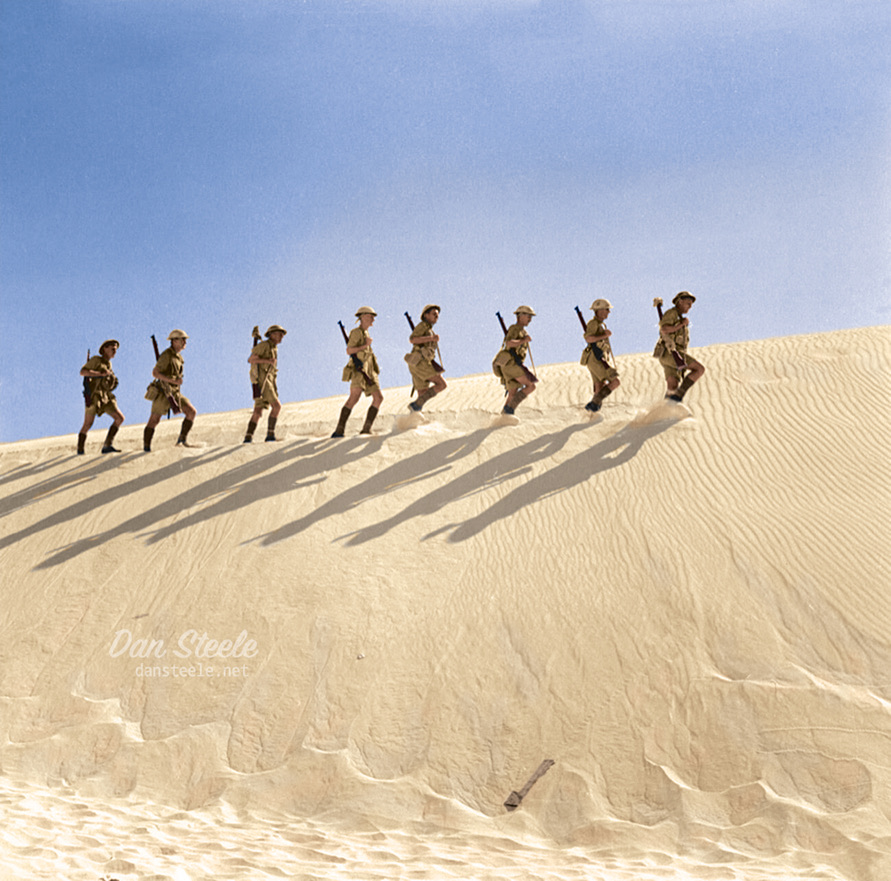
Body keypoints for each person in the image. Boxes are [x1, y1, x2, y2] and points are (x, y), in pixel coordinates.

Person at [331, 307, 383, 437]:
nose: (373, 319)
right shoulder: (356, 332)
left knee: (378, 398)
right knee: (354, 398)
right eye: (371, 316)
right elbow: (349, 351)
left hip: (369, 371)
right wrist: (365, 345)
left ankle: (366, 429)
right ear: (363, 317)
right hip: (359, 370)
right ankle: (339, 430)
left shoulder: (366, 334)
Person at [143, 330, 198, 451]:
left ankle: (182, 440)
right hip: (164, 392)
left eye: (185, 339)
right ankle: (146, 447)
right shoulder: (167, 355)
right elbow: (155, 373)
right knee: (154, 420)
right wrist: (173, 381)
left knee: (191, 412)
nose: (185, 342)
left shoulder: (179, 357)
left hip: (175, 393)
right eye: (182, 339)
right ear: (174, 341)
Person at [654, 292, 705, 402]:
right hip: (670, 353)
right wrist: (681, 325)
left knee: (672, 386)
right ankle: (678, 397)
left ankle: (665, 410)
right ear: (680, 301)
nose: (690, 306)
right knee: (699, 369)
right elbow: (664, 330)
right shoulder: (672, 314)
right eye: (688, 303)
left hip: (668, 355)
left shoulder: (678, 316)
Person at [77, 339, 125, 454]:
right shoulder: (96, 360)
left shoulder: (109, 365)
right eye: (112, 349)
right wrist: (99, 374)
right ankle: (80, 450)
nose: (115, 352)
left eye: (116, 350)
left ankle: (107, 445)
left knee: (119, 418)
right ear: (105, 349)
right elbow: (83, 372)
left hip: (106, 397)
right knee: (88, 424)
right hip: (94, 397)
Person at [244, 324, 286, 443]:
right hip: (262, 382)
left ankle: (248, 436)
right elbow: (251, 360)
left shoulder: (273, 348)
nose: (281, 337)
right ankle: (270, 435)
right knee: (277, 406)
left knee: (258, 411)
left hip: (267, 382)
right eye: (279, 334)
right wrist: (267, 361)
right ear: (272, 335)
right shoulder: (264, 346)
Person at [492, 306, 537, 415]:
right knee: (531, 386)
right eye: (528, 316)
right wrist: (524, 340)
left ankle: (504, 416)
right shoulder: (515, 328)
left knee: (512, 392)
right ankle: (510, 408)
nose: (530, 319)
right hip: (511, 365)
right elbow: (509, 343)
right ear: (520, 316)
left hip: (510, 365)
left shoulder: (521, 331)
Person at [581, 299, 620, 412]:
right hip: (595, 359)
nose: (608, 312)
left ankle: (592, 413)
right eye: (607, 309)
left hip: (595, 359)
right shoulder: (593, 324)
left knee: (599, 386)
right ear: (600, 310)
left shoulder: (600, 324)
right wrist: (604, 335)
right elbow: (589, 338)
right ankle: (594, 403)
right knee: (615, 382)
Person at [405, 304, 446, 412]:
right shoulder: (423, 326)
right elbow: (413, 339)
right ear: (426, 315)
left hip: (417, 364)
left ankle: (412, 419)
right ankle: (415, 405)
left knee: (423, 394)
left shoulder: (429, 329)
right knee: (441, 384)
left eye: (437, 315)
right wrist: (431, 338)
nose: (436, 317)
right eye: (434, 314)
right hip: (420, 362)